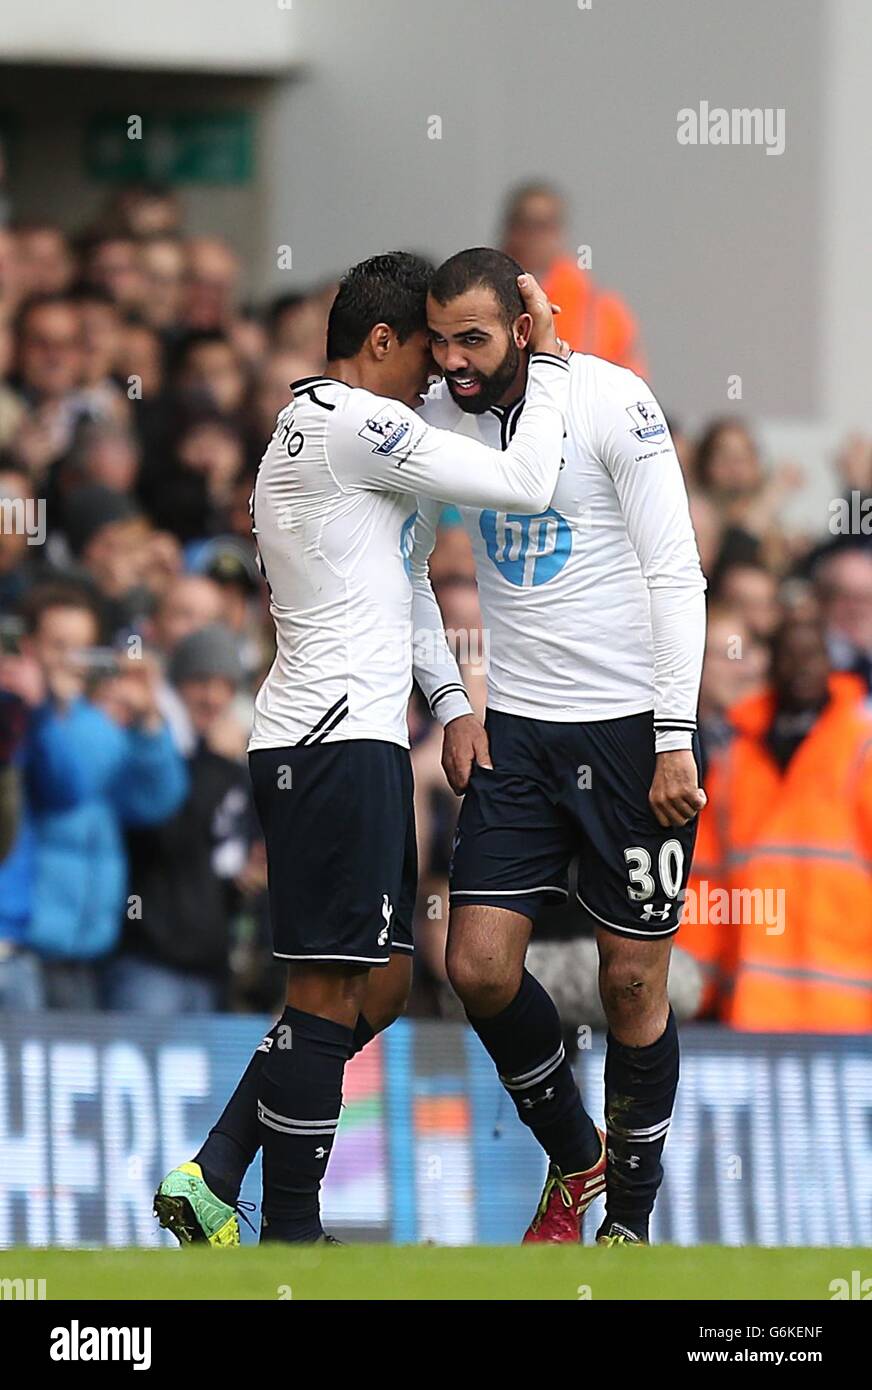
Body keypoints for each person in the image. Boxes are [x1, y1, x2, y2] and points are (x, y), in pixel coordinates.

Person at [153, 251, 570, 1246]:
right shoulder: (356, 423)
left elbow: (410, 575)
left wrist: (450, 702)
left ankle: (215, 1172)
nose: (438, 378)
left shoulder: (317, 434)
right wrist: (542, 361)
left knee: (373, 987)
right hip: (332, 744)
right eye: (426, 355)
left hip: (352, 738)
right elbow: (523, 480)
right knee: (327, 989)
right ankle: (291, 1235)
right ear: (378, 343)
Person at [416, 247, 707, 1245]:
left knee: (632, 980)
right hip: (521, 734)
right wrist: (455, 697)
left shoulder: (613, 401)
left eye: (473, 337)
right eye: (440, 337)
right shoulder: (439, 413)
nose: (452, 359)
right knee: (478, 963)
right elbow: (406, 562)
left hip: (633, 731)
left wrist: (673, 733)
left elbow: (674, 572)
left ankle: (626, 1223)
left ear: (524, 326)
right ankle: (577, 1157)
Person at [691, 619, 872, 1032]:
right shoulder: (735, 760)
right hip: (752, 1012)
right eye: (792, 655)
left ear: (831, 664)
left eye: (814, 654)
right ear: (773, 664)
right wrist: (695, 994)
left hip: (850, 1017)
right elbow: (706, 884)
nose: (803, 667)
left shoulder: (861, 751)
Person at [501, 182, 645, 373]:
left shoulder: (601, 309)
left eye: (544, 226)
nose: (535, 237)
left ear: (558, 232)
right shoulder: (483, 299)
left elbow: (629, 387)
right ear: (511, 230)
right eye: (526, 224)